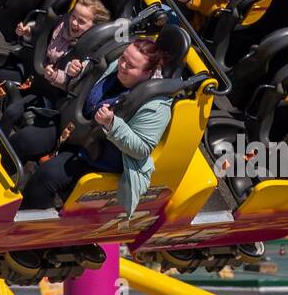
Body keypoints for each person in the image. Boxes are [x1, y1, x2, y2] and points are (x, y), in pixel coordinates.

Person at [13, 37, 173, 218]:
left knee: (47, 175)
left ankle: (22, 231)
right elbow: (79, 88)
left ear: (148, 72)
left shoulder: (157, 105)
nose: (122, 65)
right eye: (123, 58)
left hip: (99, 154)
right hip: (76, 129)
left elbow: (142, 149)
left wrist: (113, 124)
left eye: (131, 65)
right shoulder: (115, 67)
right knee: (23, 140)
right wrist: (76, 73)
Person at [0, 0, 111, 132]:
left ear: (95, 28)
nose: (74, 22)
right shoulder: (62, 23)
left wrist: (57, 76)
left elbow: (73, 83)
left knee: (12, 112)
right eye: (73, 16)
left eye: (81, 21)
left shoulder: (89, 52)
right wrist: (27, 31)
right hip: (34, 74)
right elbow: (42, 32)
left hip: (49, 91)